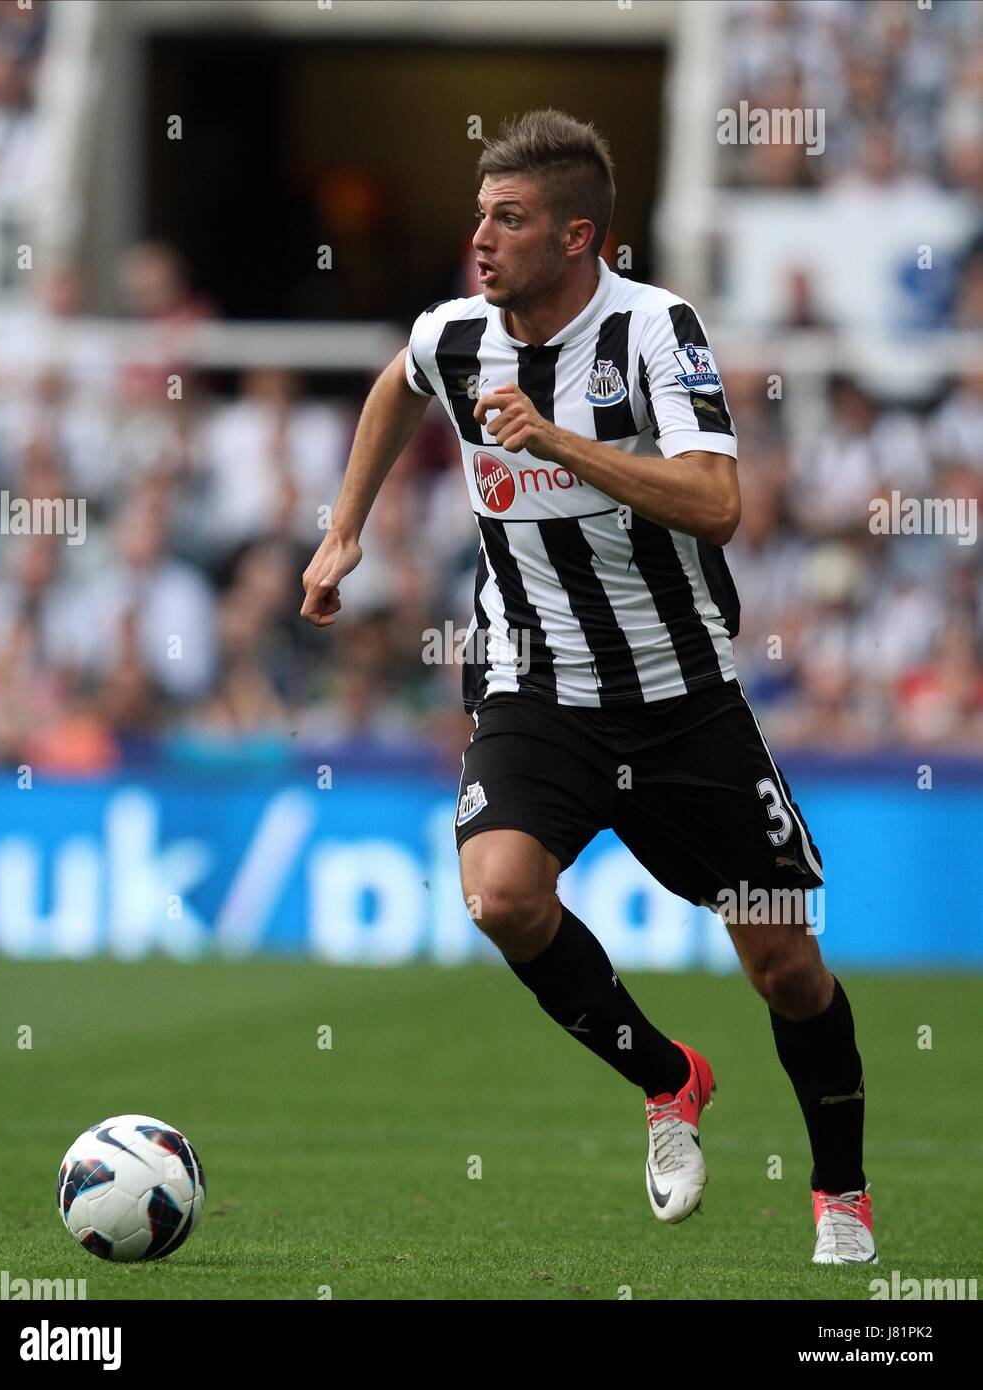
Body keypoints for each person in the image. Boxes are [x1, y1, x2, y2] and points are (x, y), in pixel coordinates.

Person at [300, 109, 874, 1265]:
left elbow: (717, 503)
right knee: (500, 893)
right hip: (534, 687)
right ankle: (668, 1080)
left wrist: (557, 443)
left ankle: (841, 1197)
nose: (481, 238)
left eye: (506, 220)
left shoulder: (656, 329)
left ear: (578, 237)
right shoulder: (457, 337)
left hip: (683, 698)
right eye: (478, 215)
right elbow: (394, 386)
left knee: (787, 967)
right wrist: (342, 531)